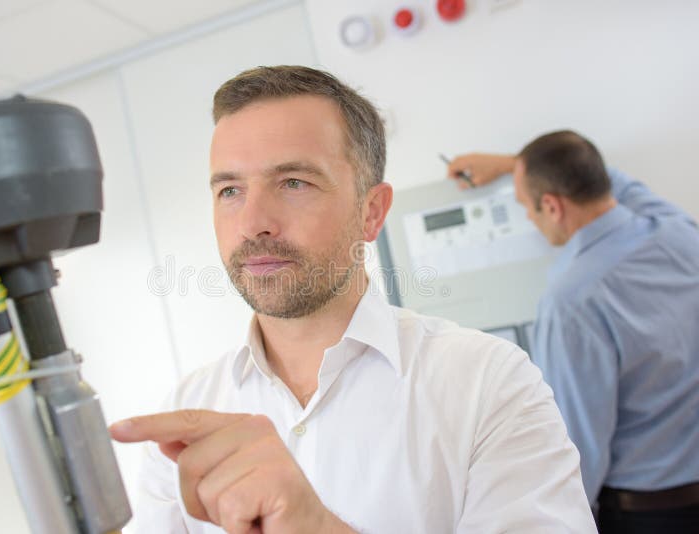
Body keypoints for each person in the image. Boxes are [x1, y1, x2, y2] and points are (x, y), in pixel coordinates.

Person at [109, 67, 595, 533]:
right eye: (230, 190)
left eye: (293, 183)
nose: (253, 221)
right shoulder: (187, 417)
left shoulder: (488, 385)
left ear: (371, 211)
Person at [447, 133, 699, 533]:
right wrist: (513, 164)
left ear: (551, 205)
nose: (528, 217)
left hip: (651, 516)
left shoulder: (571, 303)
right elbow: (609, 177)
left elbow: (576, 446)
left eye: (524, 205)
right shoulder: (679, 231)